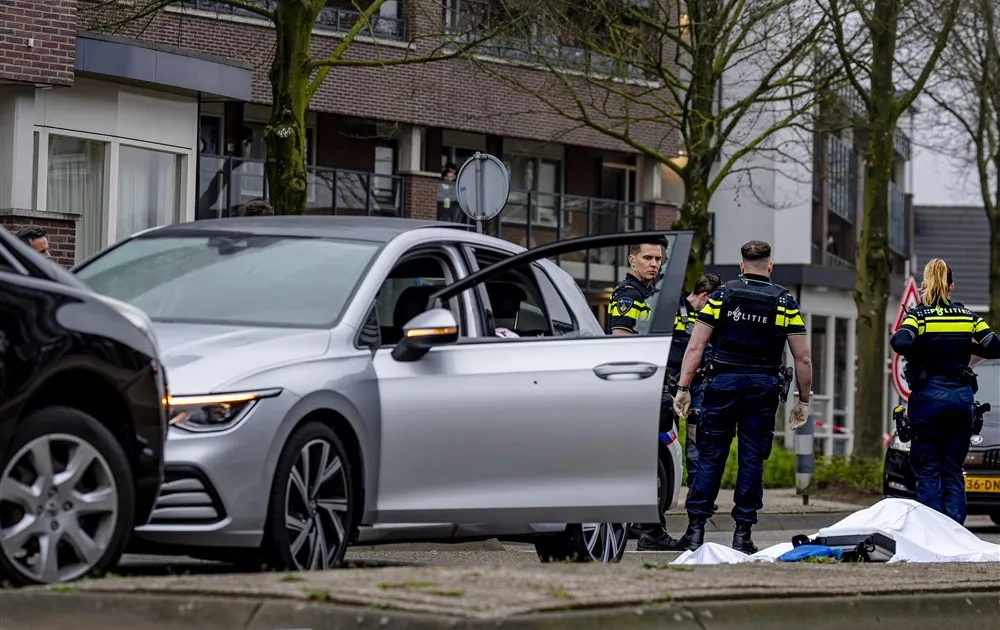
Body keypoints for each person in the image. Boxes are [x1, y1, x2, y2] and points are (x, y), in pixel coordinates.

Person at [672, 240, 812, 554]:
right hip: (762, 388)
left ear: (741, 265)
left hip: (722, 383)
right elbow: (802, 358)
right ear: (770, 266)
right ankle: (741, 535)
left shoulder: (721, 296)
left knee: (710, 457)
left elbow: (695, 346)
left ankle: (695, 532)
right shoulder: (784, 302)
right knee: (752, 460)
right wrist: (803, 400)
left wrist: (683, 389)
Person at [890, 259, 1000, 524]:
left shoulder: (918, 316)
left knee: (928, 469)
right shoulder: (967, 316)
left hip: (929, 399)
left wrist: (923, 345)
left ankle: (932, 534)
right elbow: (995, 346)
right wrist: (968, 347)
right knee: (953, 469)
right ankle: (955, 535)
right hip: (961, 399)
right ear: (951, 286)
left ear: (926, 284)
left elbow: (900, 341)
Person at [606, 241, 680, 551]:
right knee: (643, 460)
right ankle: (650, 531)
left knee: (647, 460)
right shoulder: (629, 294)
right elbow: (621, 340)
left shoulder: (649, 293)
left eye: (658, 259)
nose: (654, 264)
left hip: (649, 386)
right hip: (638, 389)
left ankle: (648, 527)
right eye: (647, 258)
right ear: (632, 259)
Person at [667, 274, 723, 489]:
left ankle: (697, 492)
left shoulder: (711, 318)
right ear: (705, 296)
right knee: (667, 437)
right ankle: (667, 488)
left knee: (696, 438)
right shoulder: (671, 309)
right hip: (670, 386)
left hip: (698, 386)